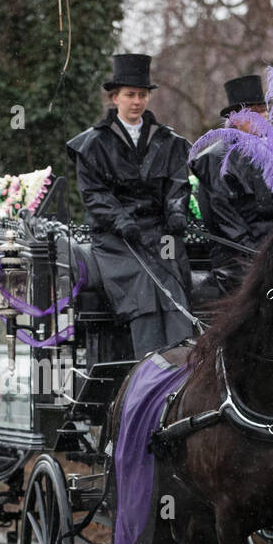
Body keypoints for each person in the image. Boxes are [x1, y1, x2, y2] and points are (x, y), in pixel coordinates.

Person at [66, 54, 194, 358]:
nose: (137, 101)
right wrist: (121, 221)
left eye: (142, 95)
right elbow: (94, 193)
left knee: (173, 290)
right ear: (115, 98)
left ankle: (185, 366)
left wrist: (176, 212)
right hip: (116, 239)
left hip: (159, 234)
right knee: (143, 291)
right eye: (130, 95)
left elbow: (178, 183)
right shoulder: (93, 144)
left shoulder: (167, 141)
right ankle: (149, 367)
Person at [190, 74, 273, 302]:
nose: (261, 118)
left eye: (263, 111)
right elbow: (227, 225)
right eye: (253, 113)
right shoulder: (215, 161)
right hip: (237, 257)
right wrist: (266, 257)